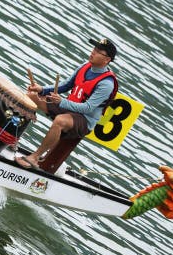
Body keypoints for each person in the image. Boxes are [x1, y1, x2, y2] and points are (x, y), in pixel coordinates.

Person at [15, 38, 119, 169]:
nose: (93, 52)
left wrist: (62, 102)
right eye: (94, 49)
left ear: (107, 60)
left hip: (85, 120)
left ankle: (35, 158)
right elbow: (65, 85)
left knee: (60, 121)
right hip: (69, 106)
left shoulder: (107, 84)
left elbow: (88, 108)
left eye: (98, 51)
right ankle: (13, 139)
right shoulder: (85, 66)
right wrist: (41, 89)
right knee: (31, 97)